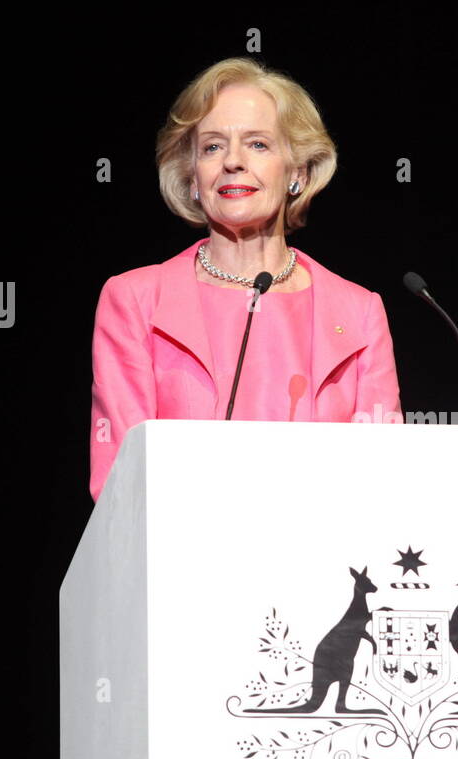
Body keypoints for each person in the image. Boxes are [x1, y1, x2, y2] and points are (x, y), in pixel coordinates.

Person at [89, 57, 402, 502]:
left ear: (298, 172)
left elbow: (385, 480)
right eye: (213, 147)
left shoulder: (358, 311)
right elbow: (119, 482)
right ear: (192, 176)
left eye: (257, 144)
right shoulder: (135, 300)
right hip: (183, 560)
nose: (233, 162)